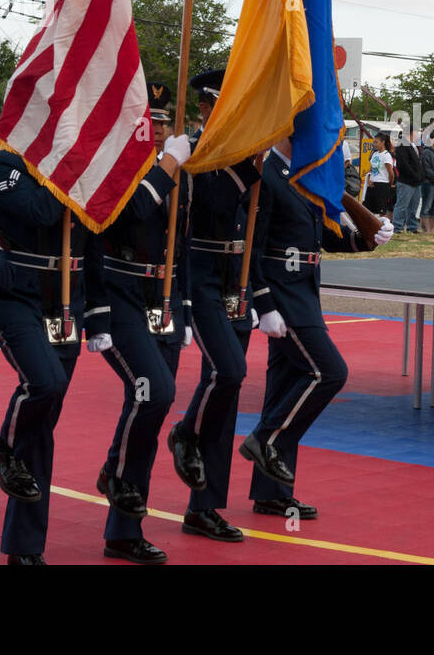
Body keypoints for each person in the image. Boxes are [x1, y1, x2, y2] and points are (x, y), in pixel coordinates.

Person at [239, 135, 393, 518]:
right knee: (328, 372)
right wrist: (262, 301)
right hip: (283, 296)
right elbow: (252, 246)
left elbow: (321, 235)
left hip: (305, 293)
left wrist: (364, 240)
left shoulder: (306, 176)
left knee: (284, 385)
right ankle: (266, 440)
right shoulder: (267, 173)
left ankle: (272, 491)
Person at [0, 147, 106, 565]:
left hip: (66, 301)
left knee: (42, 423)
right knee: (44, 383)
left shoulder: (78, 165)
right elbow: (40, 212)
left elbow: (95, 239)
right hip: (18, 295)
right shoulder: (2, 165)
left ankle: (25, 547)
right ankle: (3, 449)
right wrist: (68, 169)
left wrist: (98, 314)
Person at [92, 82, 192, 564]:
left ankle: (124, 530)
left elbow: (185, 245)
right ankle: (115, 474)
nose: (152, 131)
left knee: (148, 409)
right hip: (120, 293)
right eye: (144, 122)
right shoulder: (112, 167)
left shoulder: (177, 170)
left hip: (164, 297)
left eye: (161, 122)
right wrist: (168, 165)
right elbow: (130, 213)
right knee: (155, 390)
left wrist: (186, 308)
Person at [173, 68, 261, 540]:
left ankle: (204, 506)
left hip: (238, 277)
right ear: (207, 109)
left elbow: (260, 227)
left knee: (224, 400)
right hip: (200, 276)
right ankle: (185, 431)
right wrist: (253, 162)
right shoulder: (194, 154)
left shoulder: (253, 154)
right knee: (227, 372)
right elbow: (209, 203)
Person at [392, 127, 423, 233]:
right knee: (402, 205)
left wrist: (420, 176)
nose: (418, 135)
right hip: (406, 181)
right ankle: (397, 227)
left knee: (413, 206)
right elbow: (403, 164)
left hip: (416, 182)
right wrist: (414, 175)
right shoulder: (402, 145)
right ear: (410, 133)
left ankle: (412, 227)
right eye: (416, 132)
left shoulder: (412, 145)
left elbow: (417, 163)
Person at [364, 131, 396, 216]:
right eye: (373, 142)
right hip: (372, 184)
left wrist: (389, 184)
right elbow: (371, 168)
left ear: (383, 142)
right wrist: (369, 178)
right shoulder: (375, 154)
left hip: (382, 185)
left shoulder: (386, 155)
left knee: (381, 210)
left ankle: (382, 227)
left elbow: (391, 173)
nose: (374, 144)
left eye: (376, 142)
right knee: (368, 209)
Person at [418, 135, 434, 233]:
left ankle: (431, 229)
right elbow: (427, 169)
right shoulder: (426, 152)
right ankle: (425, 229)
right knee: (426, 206)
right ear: (431, 140)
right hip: (429, 183)